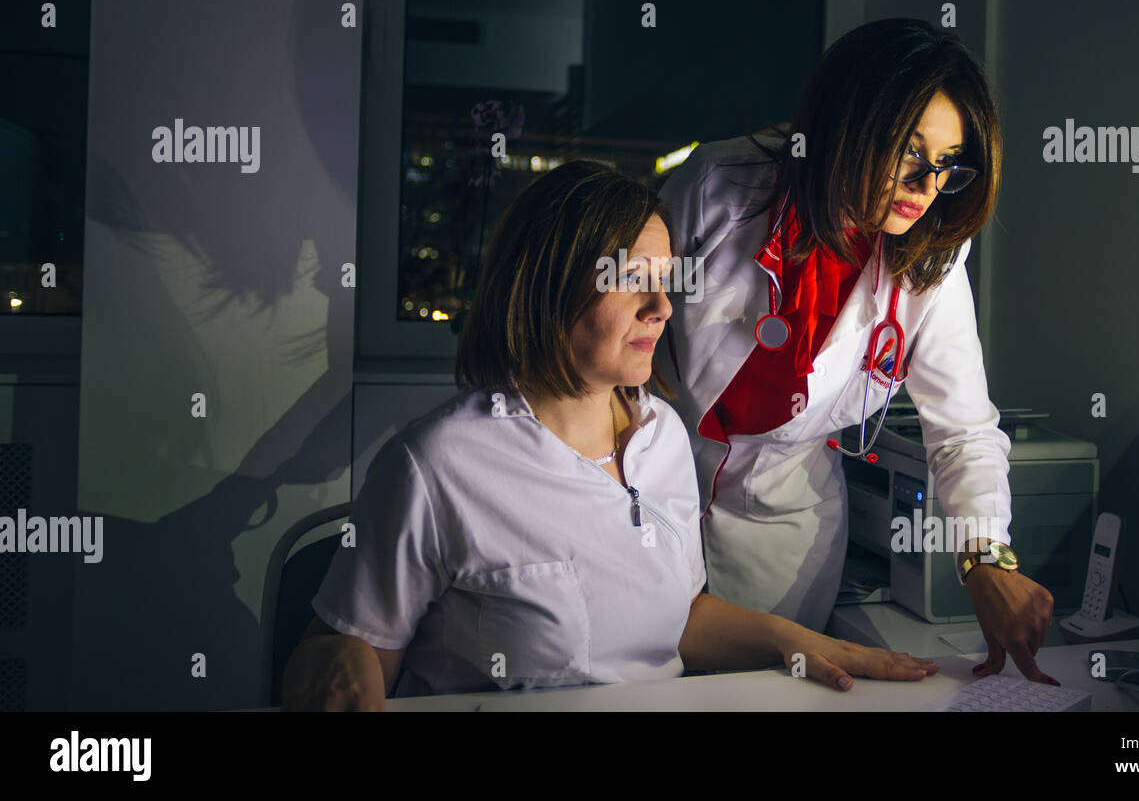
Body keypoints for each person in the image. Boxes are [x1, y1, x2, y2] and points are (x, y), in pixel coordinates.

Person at [281, 160, 940, 709]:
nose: (661, 309)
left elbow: (681, 616)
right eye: (631, 282)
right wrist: (344, 660)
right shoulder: (439, 463)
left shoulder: (664, 439)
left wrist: (792, 641)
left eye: (664, 282)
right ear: (548, 286)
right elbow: (348, 644)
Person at [654, 18, 1059, 685]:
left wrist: (986, 557)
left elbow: (961, 427)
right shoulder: (717, 186)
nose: (927, 183)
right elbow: (614, 337)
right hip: (647, 488)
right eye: (909, 149)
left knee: (757, 696)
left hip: (779, 524)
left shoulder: (933, 253)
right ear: (846, 121)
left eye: (949, 164)